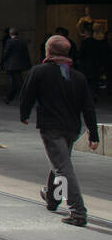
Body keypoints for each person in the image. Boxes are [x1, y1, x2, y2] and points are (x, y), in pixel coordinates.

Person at [21, 35, 99, 226]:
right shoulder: (78, 77)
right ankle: (52, 199)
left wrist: (25, 114)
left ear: (48, 51)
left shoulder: (39, 72)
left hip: (51, 127)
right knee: (60, 162)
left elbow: (27, 95)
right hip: (72, 128)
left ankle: (77, 211)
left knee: (62, 167)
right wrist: (93, 133)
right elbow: (88, 107)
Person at [0, 28, 31, 104]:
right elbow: (26, 53)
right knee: (18, 80)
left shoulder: (9, 42)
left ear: (10, 34)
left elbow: (6, 53)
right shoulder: (22, 42)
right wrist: (28, 64)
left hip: (11, 65)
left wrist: (1, 63)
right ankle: (11, 97)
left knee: (12, 82)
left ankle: (11, 97)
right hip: (20, 64)